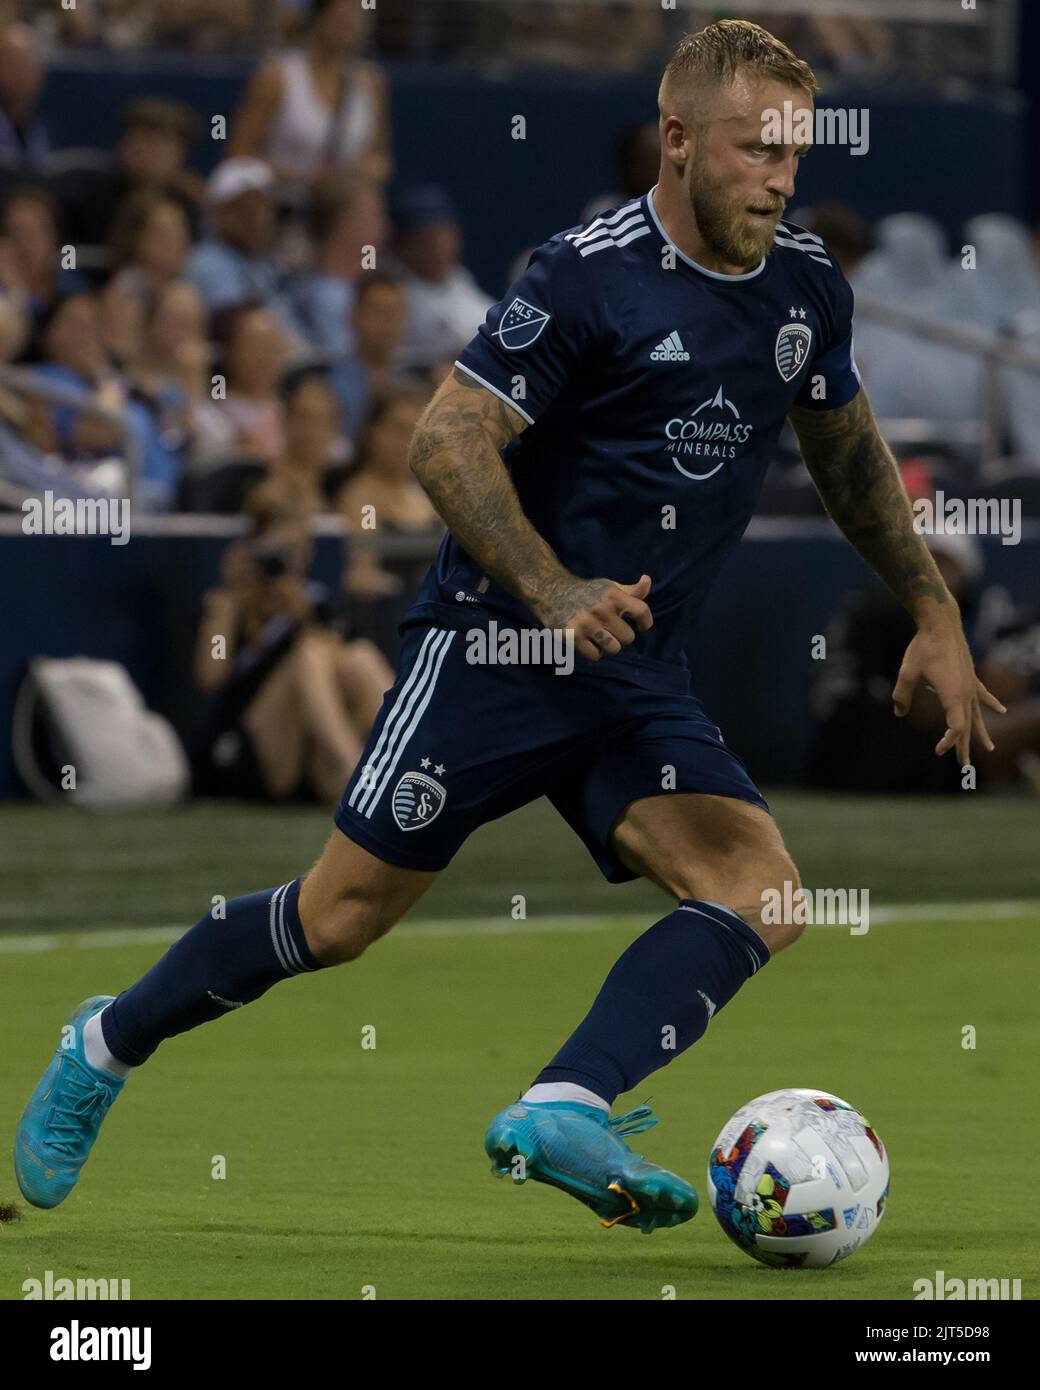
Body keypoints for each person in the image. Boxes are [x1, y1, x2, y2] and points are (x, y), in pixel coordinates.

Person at [14, 21, 1006, 1232]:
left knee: (762, 894)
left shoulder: (803, 288)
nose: (781, 176)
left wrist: (933, 607)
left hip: (636, 673)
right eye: (756, 149)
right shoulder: (584, 272)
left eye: (795, 152)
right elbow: (445, 438)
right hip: (493, 650)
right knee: (336, 921)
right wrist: (550, 591)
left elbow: (847, 455)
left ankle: (563, 1103)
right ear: (679, 140)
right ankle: (107, 1040)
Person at [192, 479, 393, 806]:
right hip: (251, 747)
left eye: (295, 550)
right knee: (311, 654)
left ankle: (406, 764)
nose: (287, 562)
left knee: (359, 656)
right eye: (278, 552)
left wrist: (303, 617)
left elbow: (344, 667)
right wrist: (230, 603)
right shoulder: (228, 603)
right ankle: (356, 771)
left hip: (312, 749)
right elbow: (211, 677)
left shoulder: (312, 603)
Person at [229, 0, 391, 210]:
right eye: (341, 19)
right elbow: (238, 156)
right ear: (317, 19)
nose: (350, 25)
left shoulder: (372, 81)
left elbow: (382, 159)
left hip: (341, 217)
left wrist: (357, 174)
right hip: (283, 210)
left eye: (356, 18)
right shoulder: (276, 76)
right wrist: (302, 177)